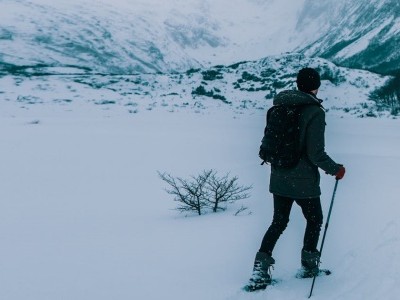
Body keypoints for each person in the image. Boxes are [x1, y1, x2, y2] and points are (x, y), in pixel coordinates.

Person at [247, 67, 346, 291]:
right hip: (303, 181)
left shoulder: (281, 106)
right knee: (315, 219)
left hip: (279, 176)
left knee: (278, 222)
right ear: (315, 86)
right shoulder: (314, 112)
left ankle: (259, 270)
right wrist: (335, 169)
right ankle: (309, 266)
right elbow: (315, 153)